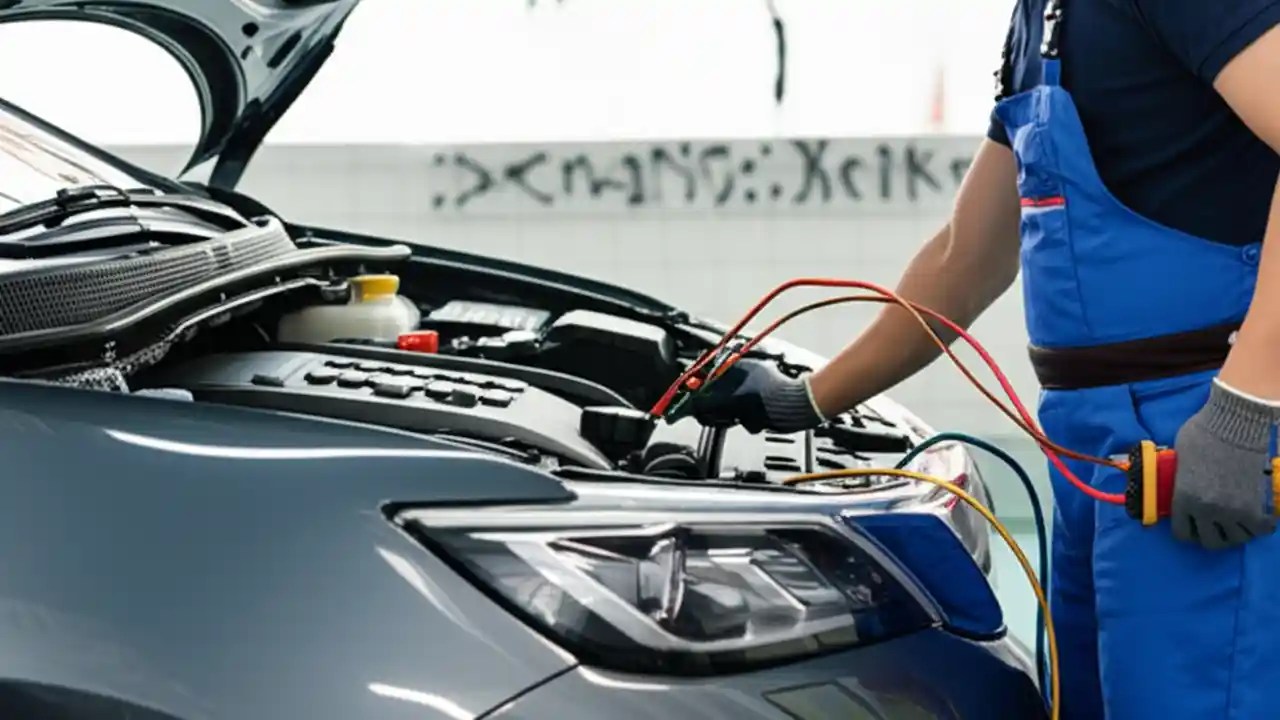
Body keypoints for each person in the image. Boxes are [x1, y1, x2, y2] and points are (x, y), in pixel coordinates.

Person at [689, 1, 1280, 718]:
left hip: (1206, 438)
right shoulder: (1041, 20)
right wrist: (806, 399)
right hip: (1092, 453)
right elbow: (965, 258)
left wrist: (1247, 408)